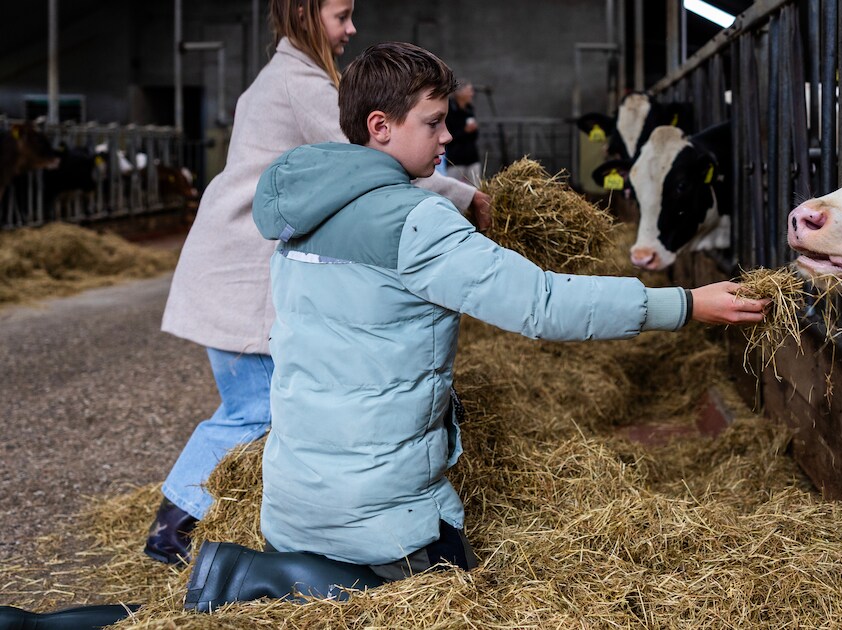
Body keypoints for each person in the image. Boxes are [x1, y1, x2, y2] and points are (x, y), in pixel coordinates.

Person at [181, 41, 768, 612]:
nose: (448, 136)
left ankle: (290, 562)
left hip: (291, 500)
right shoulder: (415, 221)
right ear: (380, 126)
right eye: (433, 122)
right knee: (452, 590)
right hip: (375, 512)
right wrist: (686, 304)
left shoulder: (301, 215)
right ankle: (268, 576)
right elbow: (543, 304)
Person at [148, 0, 491, 566]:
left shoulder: (291, 77)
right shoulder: (299, 84)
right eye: (341, 15)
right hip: (241, 271)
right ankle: (174, 526)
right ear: (306, 13)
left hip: (237, 263)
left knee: (262, 406)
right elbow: (372, 163)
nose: (351, 28)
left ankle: (192, 520)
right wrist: (464, 196)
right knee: (259, 409)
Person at [443, 81, 482, 184]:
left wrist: (473, 130)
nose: (472, 94)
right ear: (460, 93)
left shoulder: (469, 109)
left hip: (472, 157)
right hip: (455, 159)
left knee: (476, 186)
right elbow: (448, 135)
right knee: (452, 186)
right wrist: (464, 131)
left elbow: (474, 136)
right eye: (469, 91)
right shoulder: (449, 110)